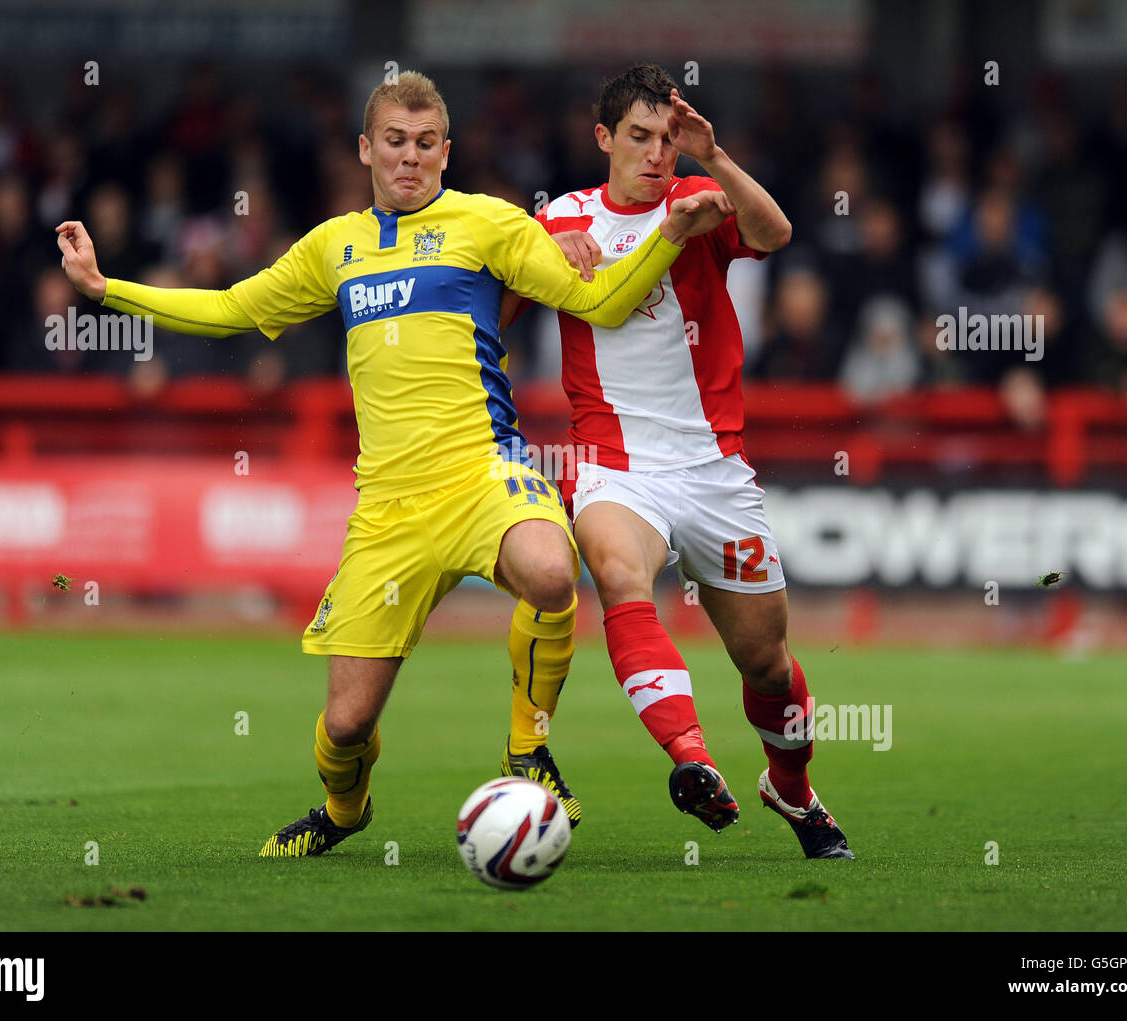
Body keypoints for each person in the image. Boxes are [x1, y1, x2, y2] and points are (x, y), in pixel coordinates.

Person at [56, 70, 731, 857]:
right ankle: (345, 809)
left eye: (424, 144)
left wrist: (669, 235)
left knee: (552, 571)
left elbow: (605, 302)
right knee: (344, 726)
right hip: (389, 509)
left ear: (446, 152)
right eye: (394, 143)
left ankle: (526, 748)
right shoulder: (333, 246)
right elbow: (234, 308)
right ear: (367, 150)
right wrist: (107, 290)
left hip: (486, 473)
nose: (409, 158)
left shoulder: (488, 225)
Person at [502, 65, 853, 858]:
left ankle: (791, 790)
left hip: (712, 465)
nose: (657, 153)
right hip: (611, 463)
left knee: (768, 663)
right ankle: (692, 758)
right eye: (640, 136)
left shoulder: (695, 198)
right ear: (604, 139)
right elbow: (492, 310)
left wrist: (717, 160)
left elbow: (774, 236)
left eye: (668, 138)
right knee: (620, 577)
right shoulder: (558, 218)